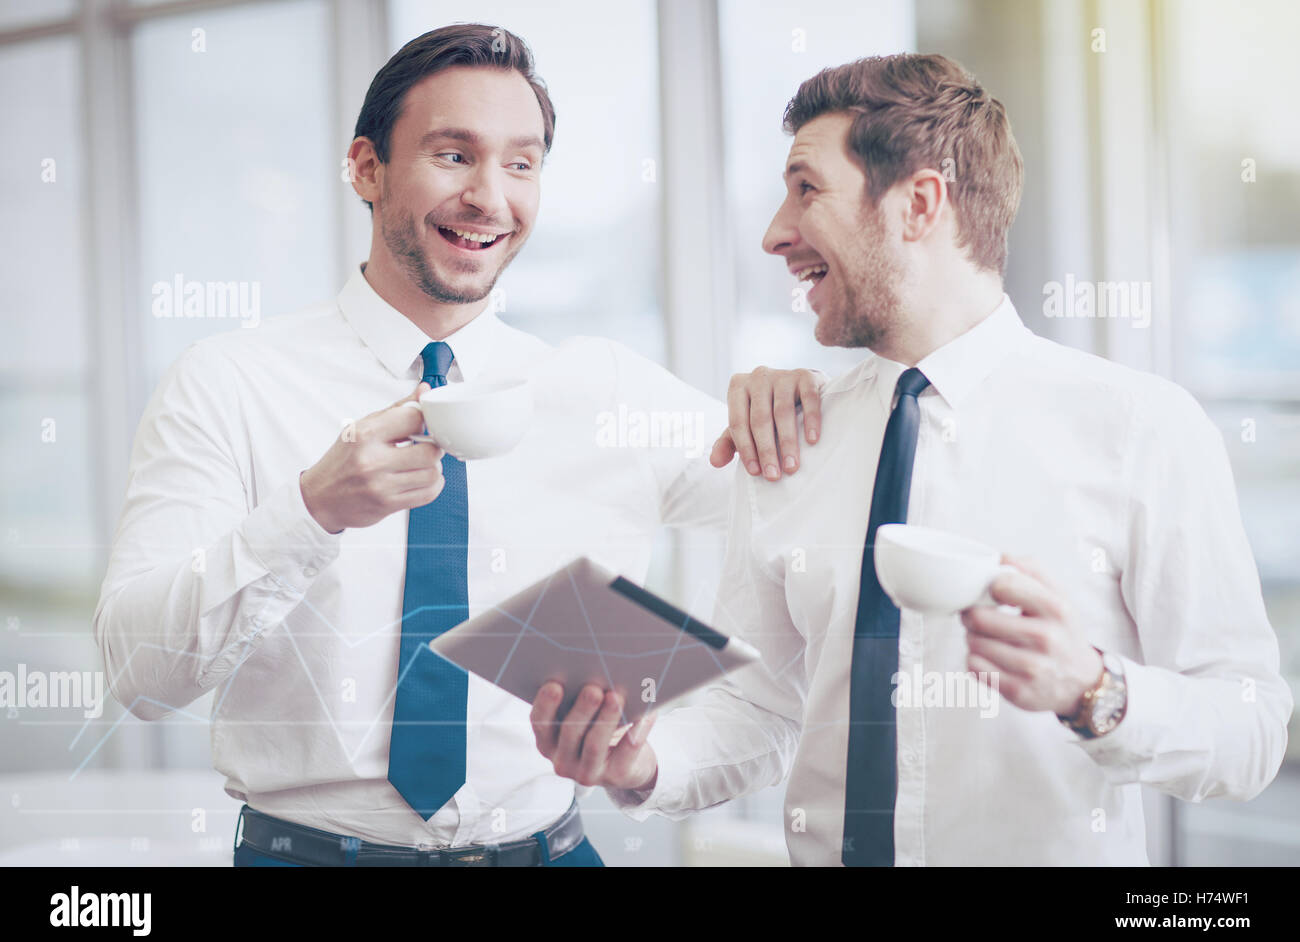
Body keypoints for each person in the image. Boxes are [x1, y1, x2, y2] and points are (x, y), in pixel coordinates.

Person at [530, 52, 1294, 865]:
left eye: (806, 189)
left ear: (920, 203)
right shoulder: (789, 437)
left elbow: (1249, 730)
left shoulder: (1142, 428)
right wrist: (646, 763)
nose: (774, 233)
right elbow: (761, 709)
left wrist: (1093, 690)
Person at [92, 23, 818, 868]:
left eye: (521, 163)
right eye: (453, 155)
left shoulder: (609, 394)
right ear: (366, 167)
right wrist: (309, 513)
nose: (490, 198)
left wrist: (801, 400)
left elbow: (816, 510)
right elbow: (139, 677)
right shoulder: (228, 382)